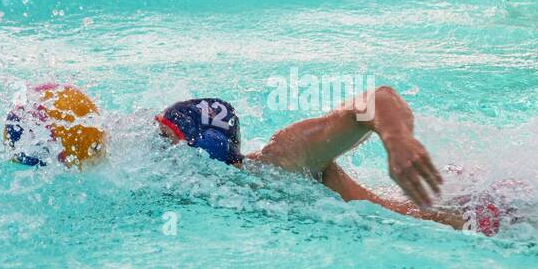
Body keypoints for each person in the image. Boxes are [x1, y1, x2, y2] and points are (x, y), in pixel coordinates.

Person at [155, 87, 505, 234]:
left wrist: (397, 139)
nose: (157, 153)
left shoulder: (284, 159)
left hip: (470, 221)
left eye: (167, 143)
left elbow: (377, 99)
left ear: (208, 151)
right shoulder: (206, 189)